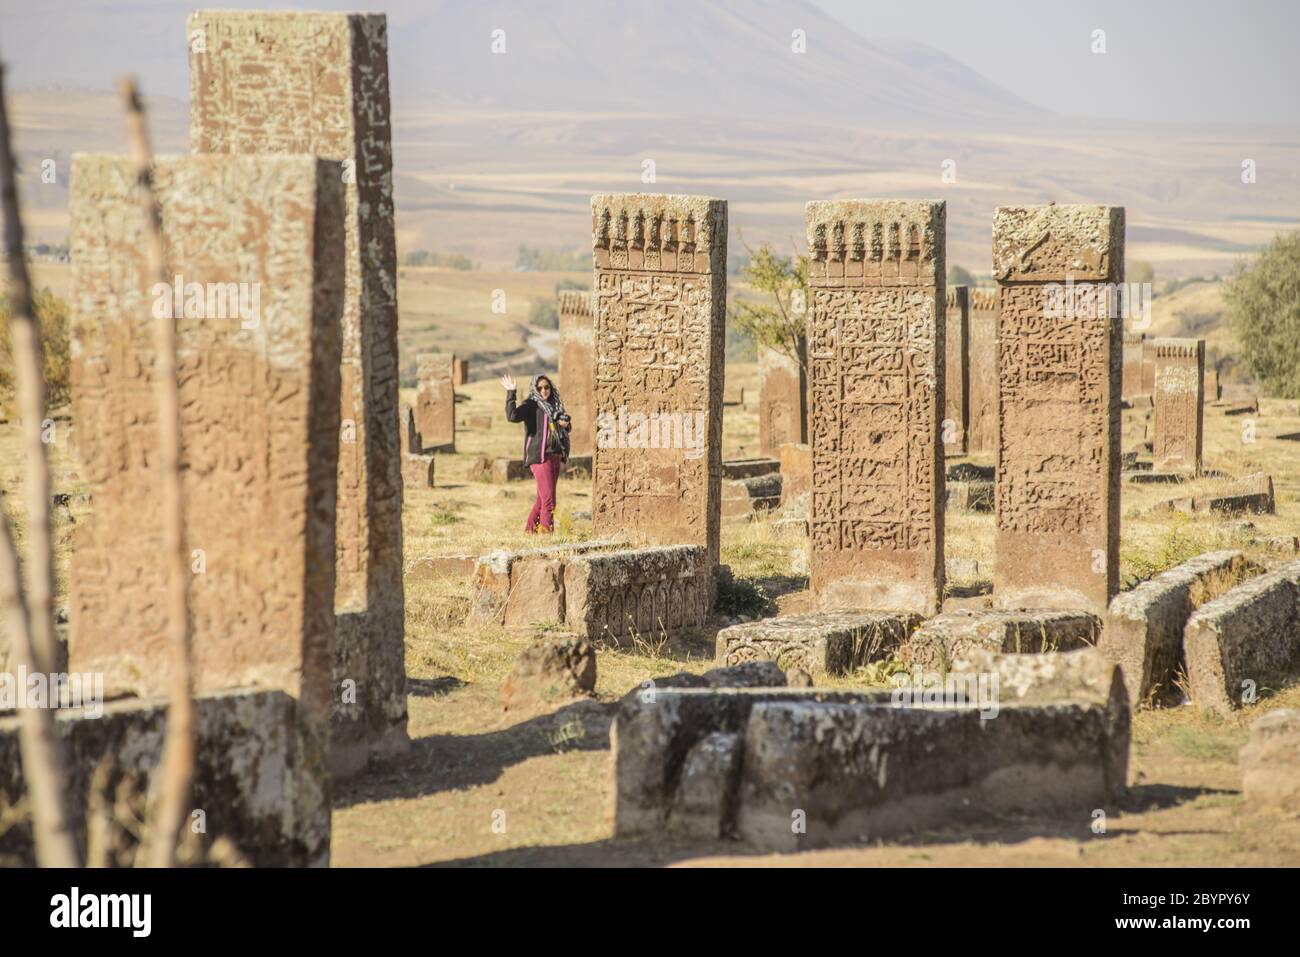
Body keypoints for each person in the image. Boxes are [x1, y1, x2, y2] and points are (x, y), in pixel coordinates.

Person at [501, 372, 571, 533]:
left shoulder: (555, 406)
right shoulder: (531, 405)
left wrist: (565, 424)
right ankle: (546, 536)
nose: (544, 390)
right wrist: (511, 392)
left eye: (547, 387)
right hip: (540, 458)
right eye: (540, 388)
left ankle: (529, 532)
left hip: (554, 456)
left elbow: (566, 426)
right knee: (549, 501)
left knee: (542, 500)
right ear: (535, 389)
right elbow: (512, 416)